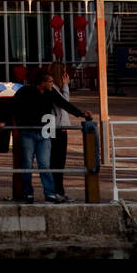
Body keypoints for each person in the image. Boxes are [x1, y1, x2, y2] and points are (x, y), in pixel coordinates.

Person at [0, 69, 91, 204]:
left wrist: (81, 114)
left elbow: (64, 104)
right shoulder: (25, 92)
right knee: (27, 164)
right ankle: (28, 193)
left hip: (44, 133)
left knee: (45, 164)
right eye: (50, 82)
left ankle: (49, 193)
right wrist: (5, 122)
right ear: (42, 82)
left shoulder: (50, 93)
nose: (52, 84)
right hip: (27, 133)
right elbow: (12, 107)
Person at [49, 61, 75, 200]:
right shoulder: (53, 88)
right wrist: (66, 86)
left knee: (60, 161)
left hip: (61, 127)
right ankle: (56, 191)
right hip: (55, 128)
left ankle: (59, 190)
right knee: (56, 161)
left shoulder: (57, 88)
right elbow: (65, 103)